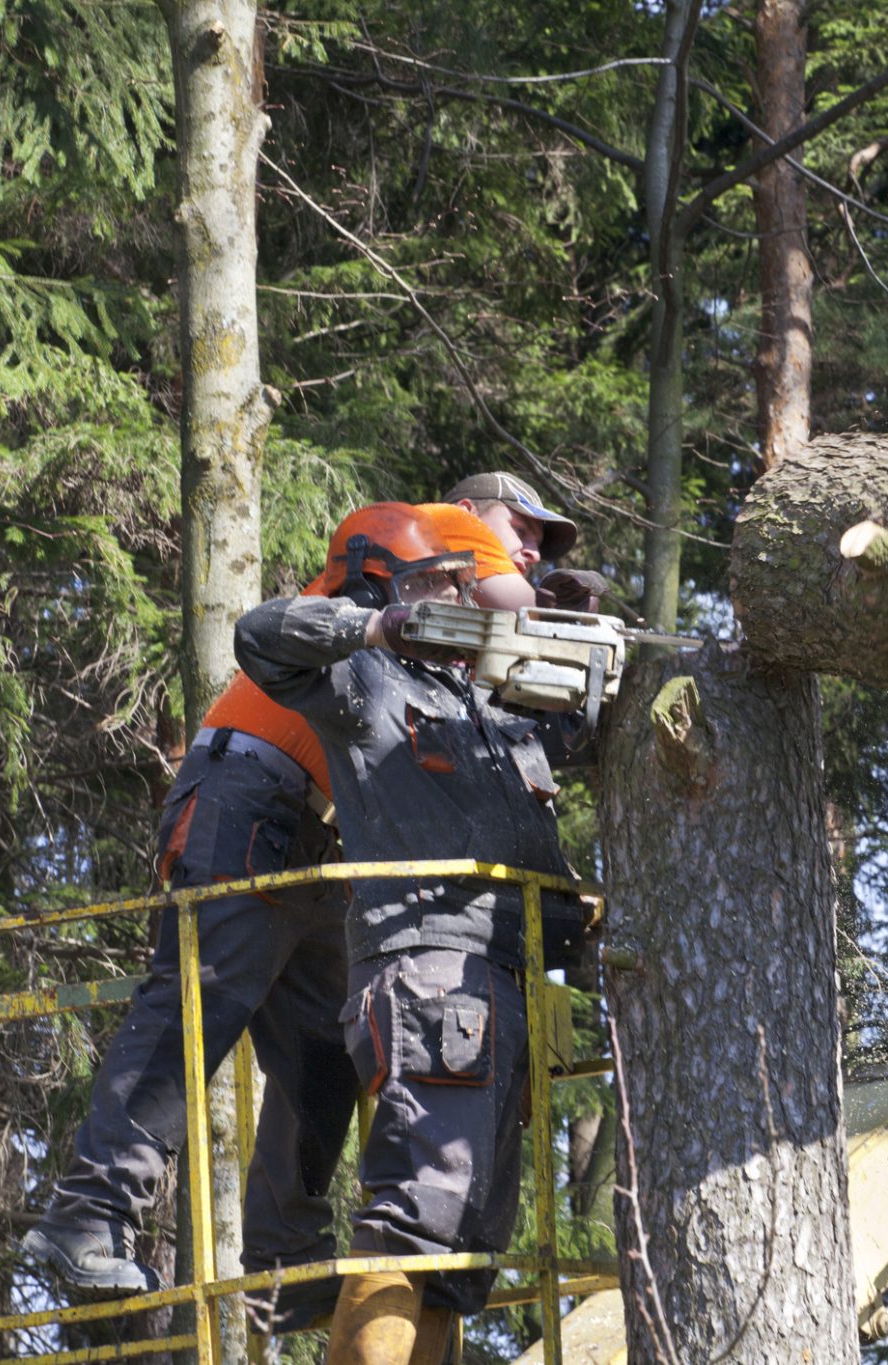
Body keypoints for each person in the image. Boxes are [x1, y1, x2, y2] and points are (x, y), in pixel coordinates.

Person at [20, 482, 585, 1332]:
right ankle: (87, 1216)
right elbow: (276, 632)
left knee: (326, 1046)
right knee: (194, 1009)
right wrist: (435, 609)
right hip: (247, 798)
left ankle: (284, 1256)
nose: (533, 551)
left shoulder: (436, 649)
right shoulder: (417, 552)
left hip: (315, 838)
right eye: (524, 531)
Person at [234, 504, 600, 1365]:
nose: (456, 595)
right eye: (435, 584)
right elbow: (260, 637)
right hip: (430, 970)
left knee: (460, 1247)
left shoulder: (485, 699)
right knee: (418, 1212)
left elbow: (573, 723)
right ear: (386, 589)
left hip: (503, 977)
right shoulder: (367, 680)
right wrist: (376, 624)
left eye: (459, 583)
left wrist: (566, 623)